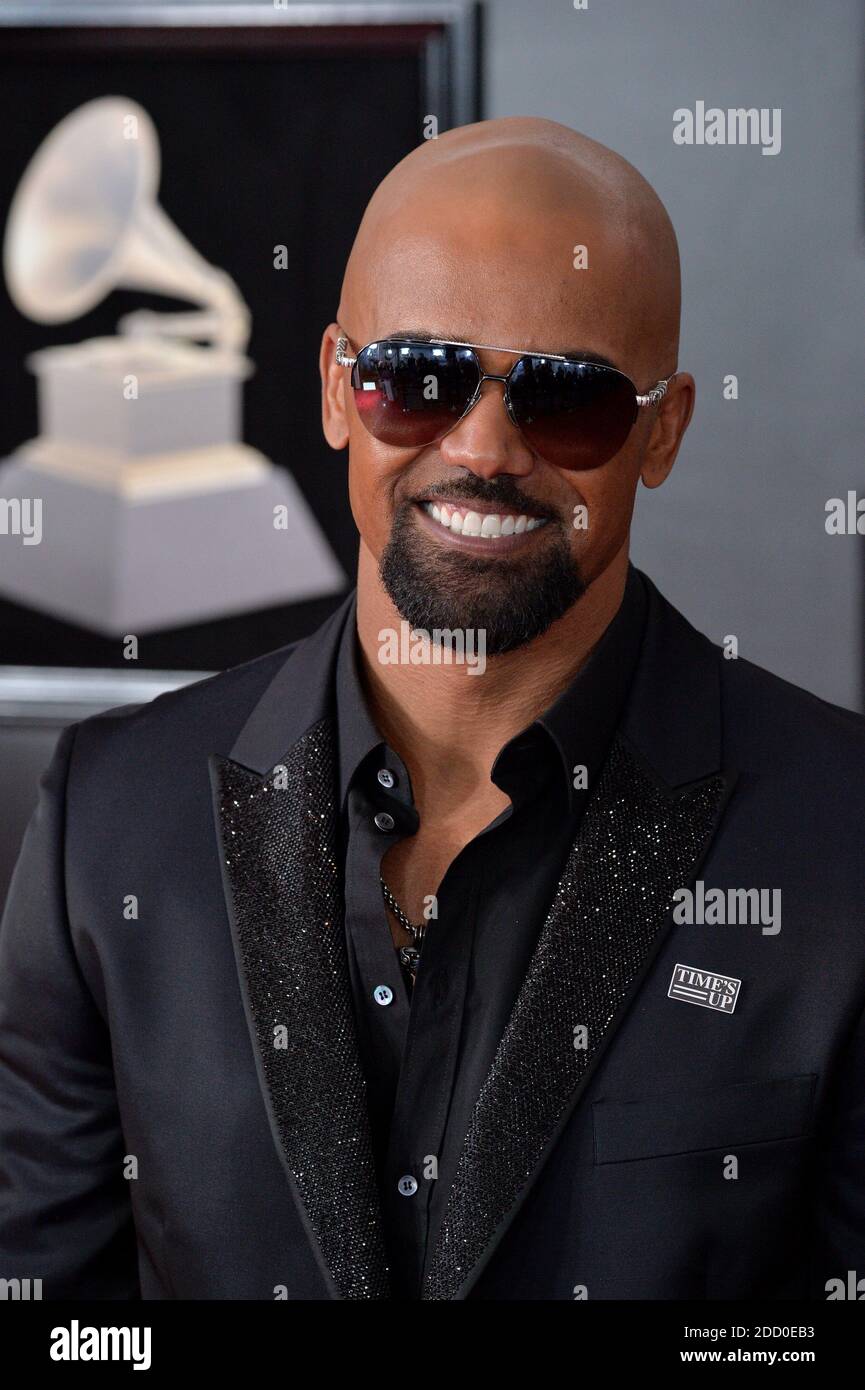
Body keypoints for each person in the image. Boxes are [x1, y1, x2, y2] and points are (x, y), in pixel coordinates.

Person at [1, 116, 863, 1302]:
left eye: (567, 398)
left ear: (662, 429)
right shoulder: (111, 819)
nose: (482, 445)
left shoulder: (841, 837)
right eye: (416, 377)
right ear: (332, 390)